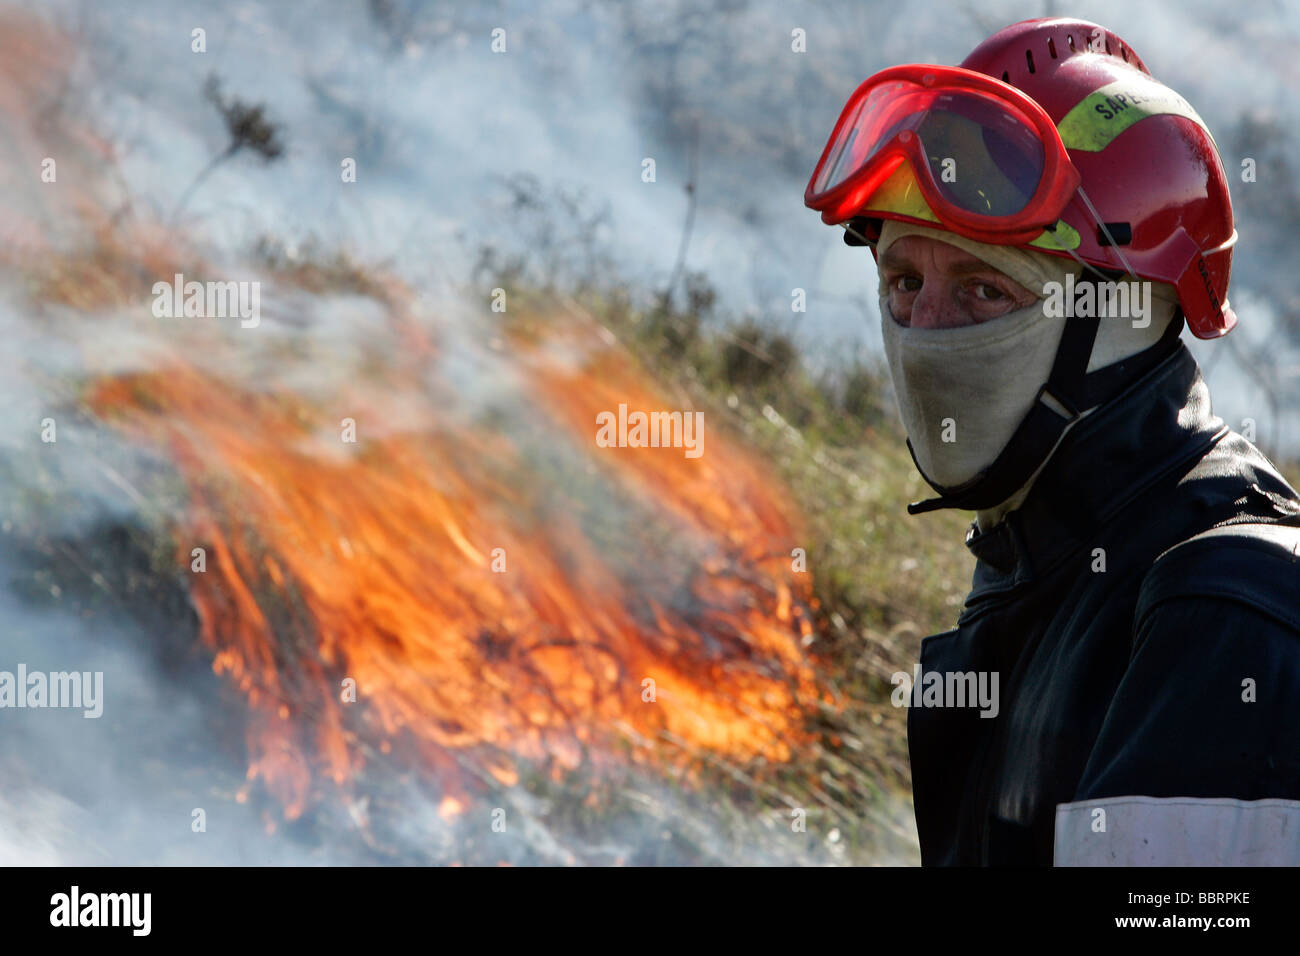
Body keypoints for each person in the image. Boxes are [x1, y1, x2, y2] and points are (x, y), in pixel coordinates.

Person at [805, 16, 1300, 865]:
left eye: (985, 289)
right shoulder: (1043, 565)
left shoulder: (1225, 611)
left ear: (1122, 320)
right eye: (902, 281)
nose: (926, 329)